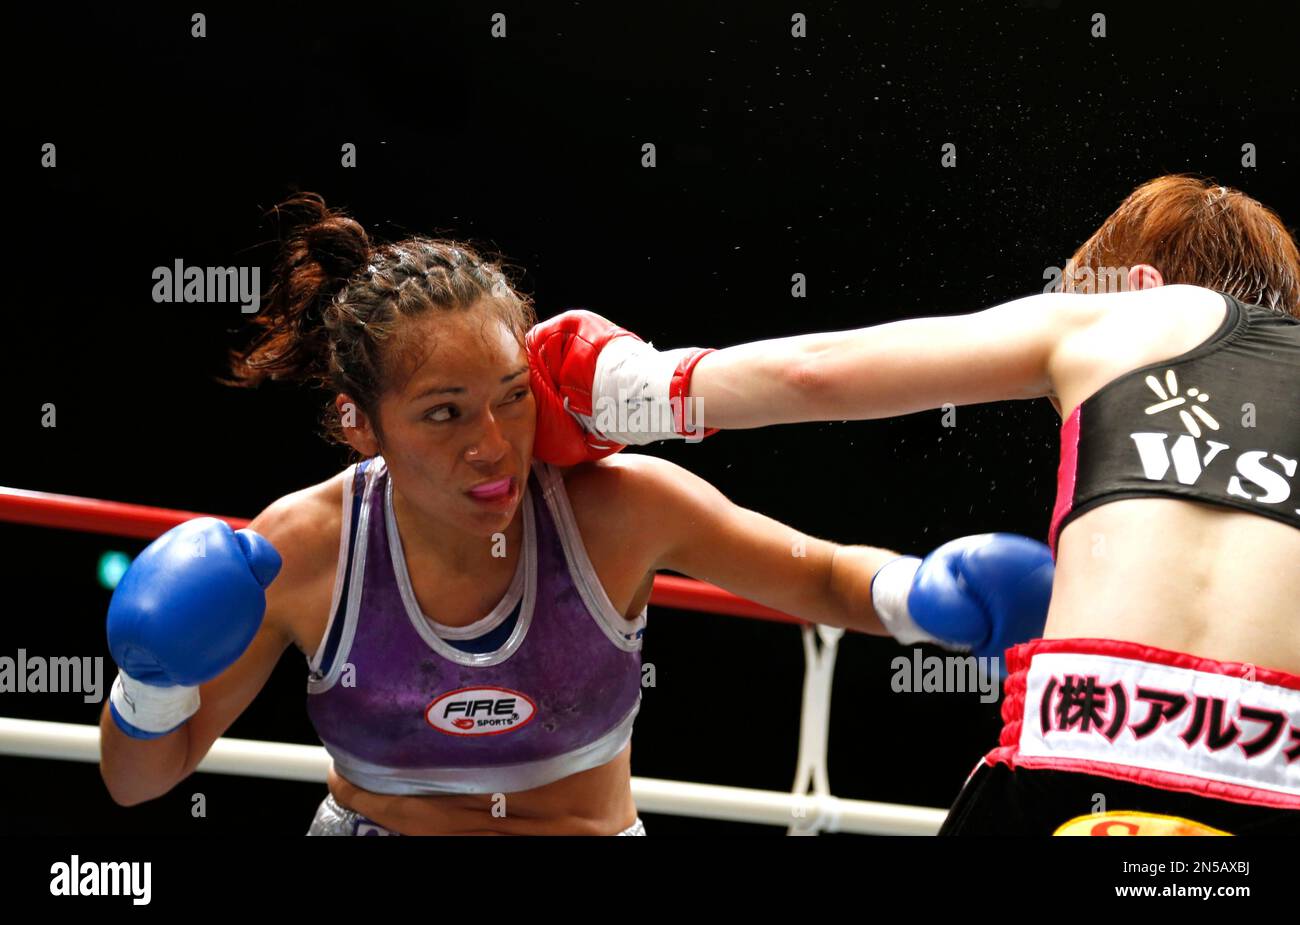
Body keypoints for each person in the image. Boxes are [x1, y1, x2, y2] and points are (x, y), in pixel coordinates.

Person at [96, 193, 1054, 836]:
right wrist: (150, 685)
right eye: (444, 412)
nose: (492, 442)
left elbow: (816, 574)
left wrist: (923, 595)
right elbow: (138, 779)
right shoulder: (302, 552)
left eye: (512, 396)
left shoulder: (615, 512)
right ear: (361, 424)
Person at [531, 175, 1300, 834]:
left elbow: (818, 373)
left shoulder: (1134, 314)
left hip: (1079, 757)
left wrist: (626, 390)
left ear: (1136, 284)